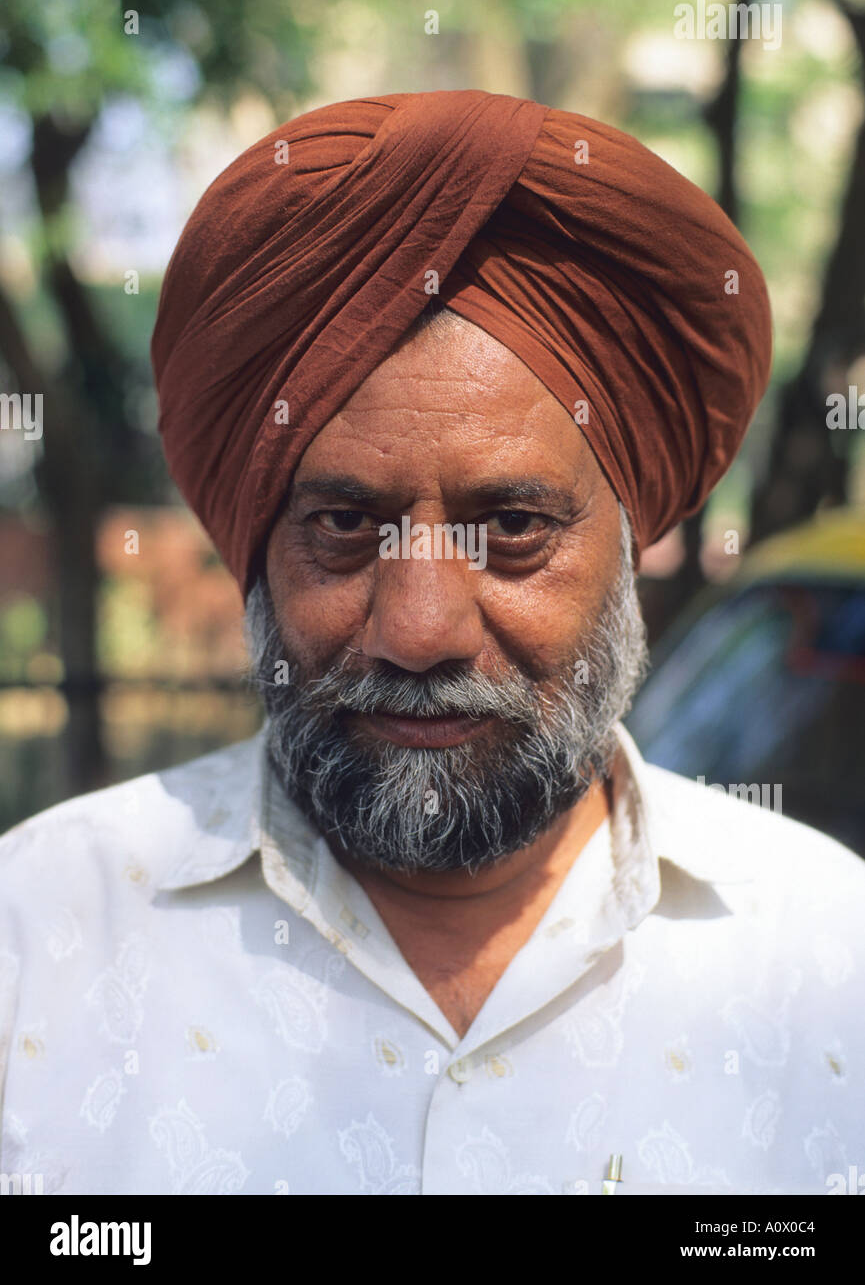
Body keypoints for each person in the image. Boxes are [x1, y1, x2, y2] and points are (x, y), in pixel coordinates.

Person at [1, 90, 862, 1197]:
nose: (418, 629)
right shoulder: (38, 939)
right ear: (259, 538)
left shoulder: (824, 956)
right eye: (345, 527)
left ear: (629, 538)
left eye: (512, 529)